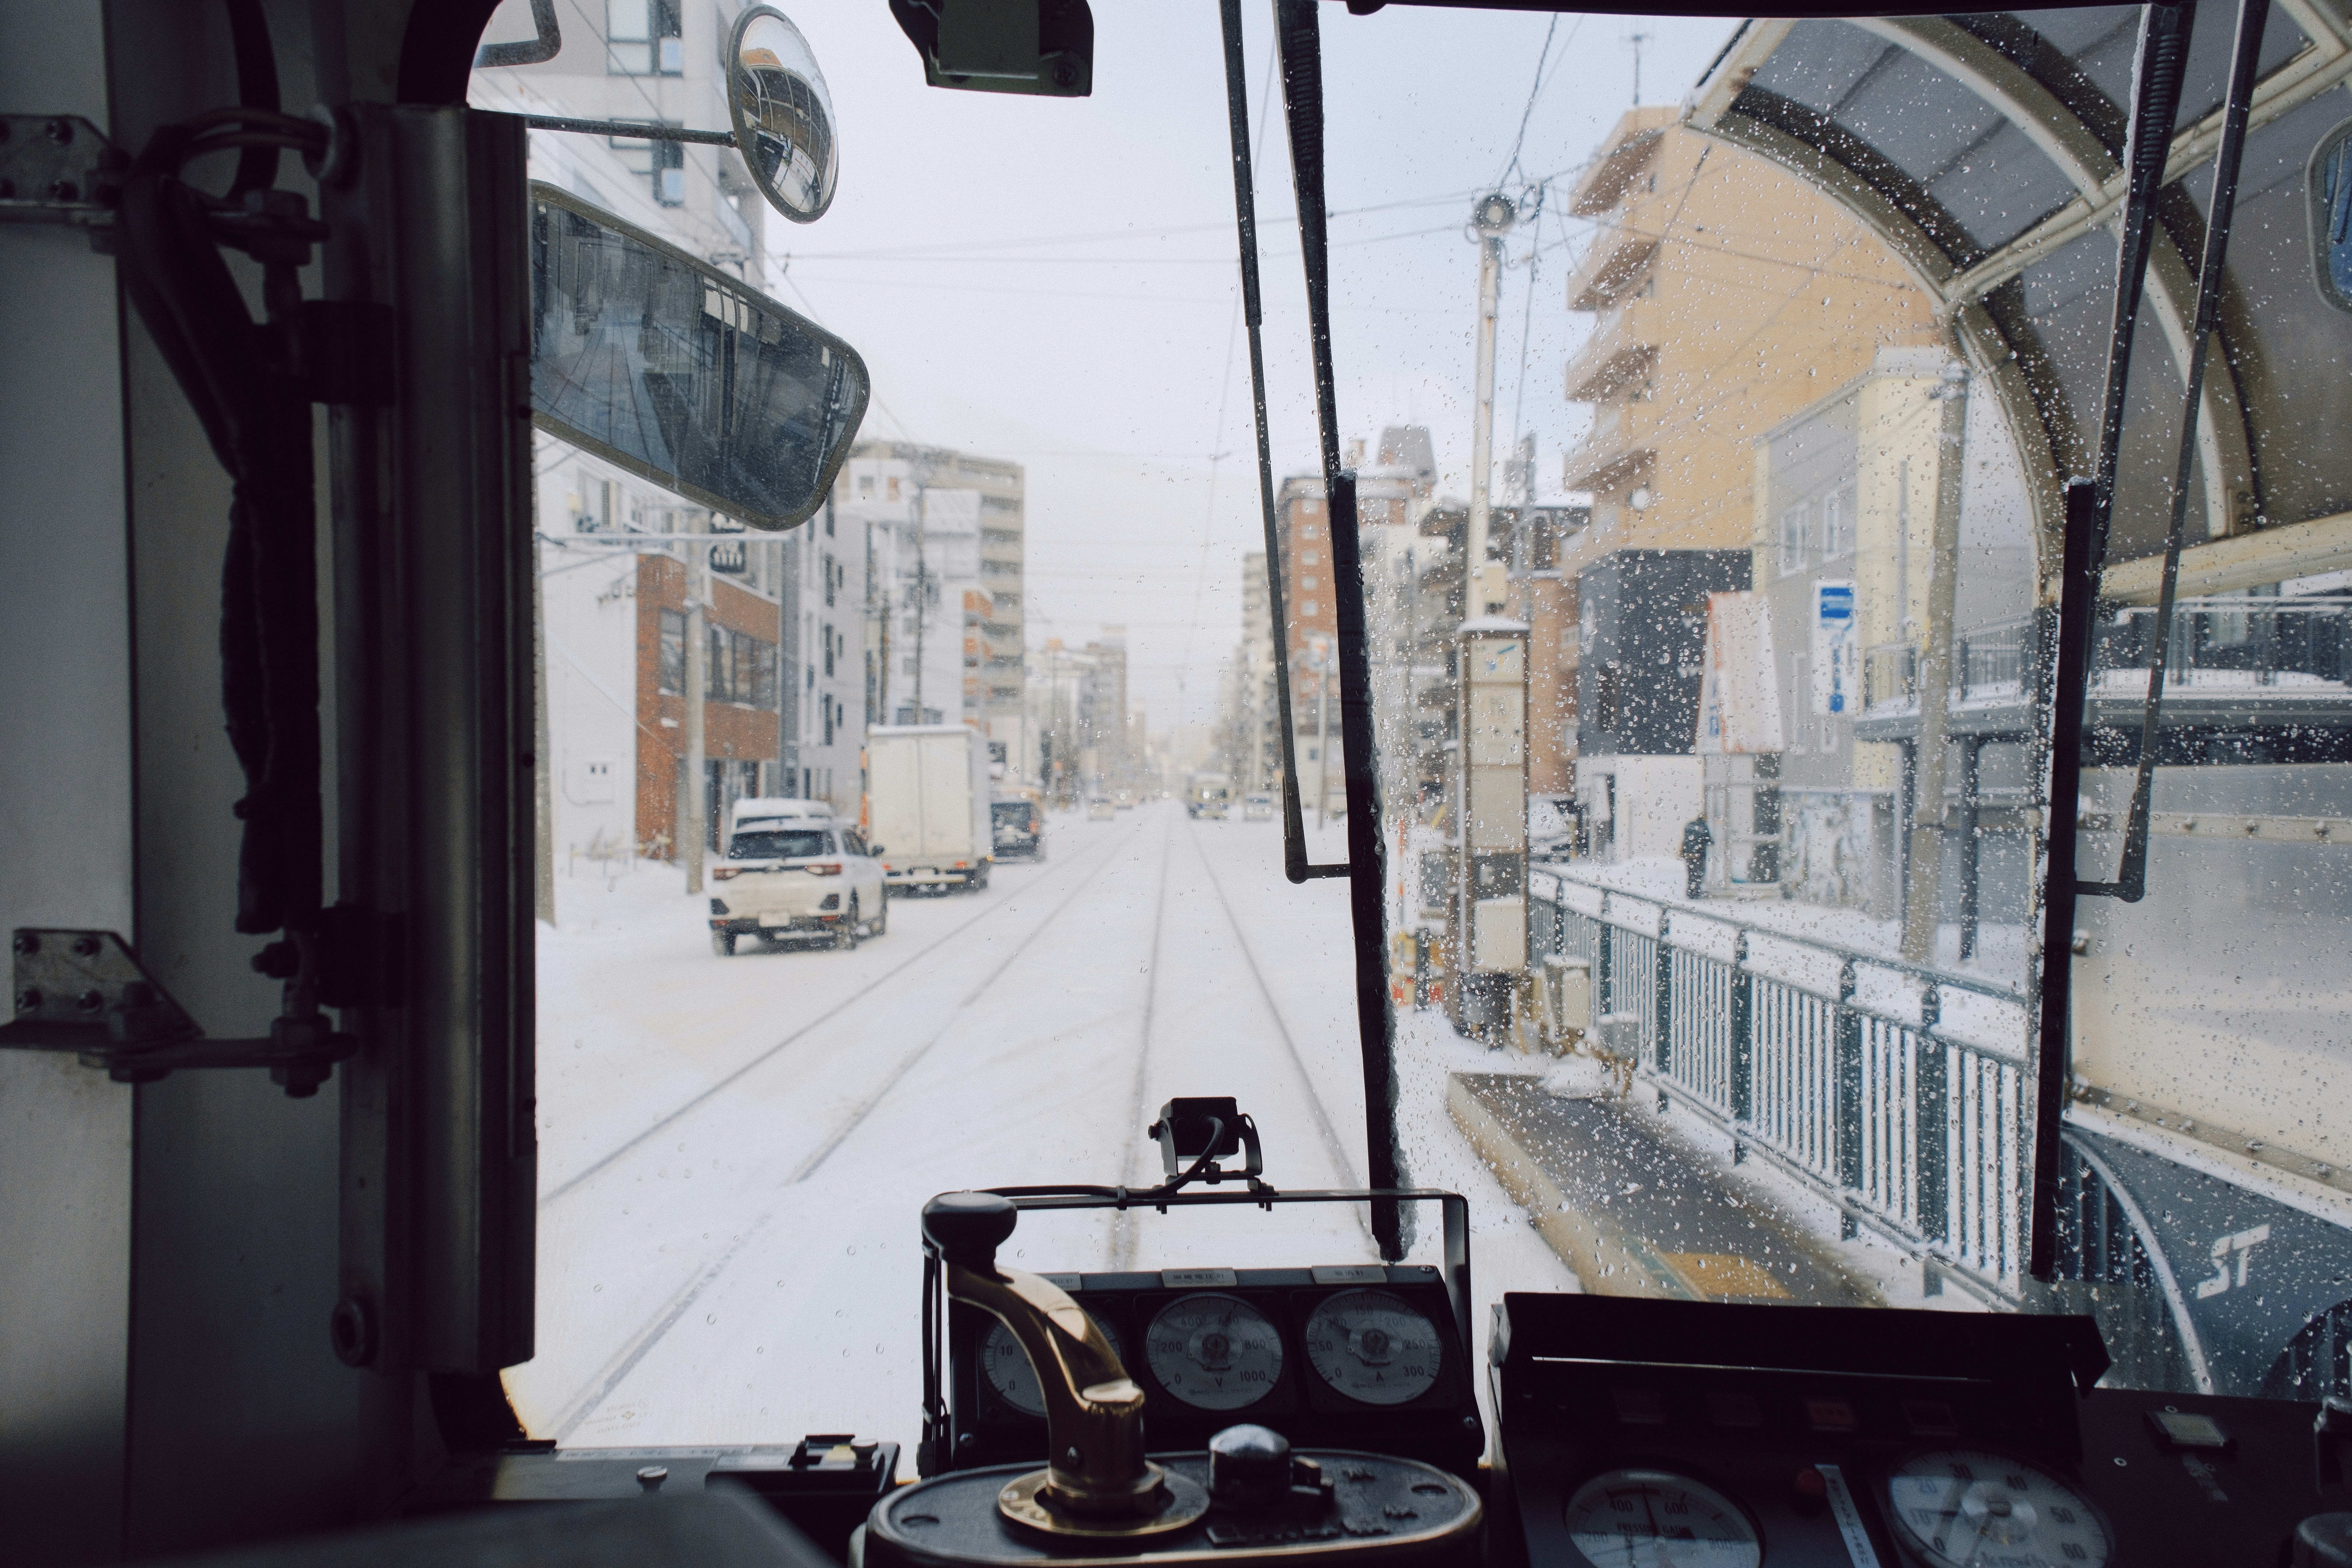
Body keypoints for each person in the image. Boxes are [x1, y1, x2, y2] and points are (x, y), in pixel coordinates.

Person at [1680, 814, 1713, 900]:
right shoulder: (1703, 827)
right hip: (1699, 856)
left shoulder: (1690, 825)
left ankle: (1690, 891)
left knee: (1691, 874)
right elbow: (1709, 841)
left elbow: (1686, 838)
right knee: (1698, 874)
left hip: (1689, 855)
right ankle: (1696, 892)